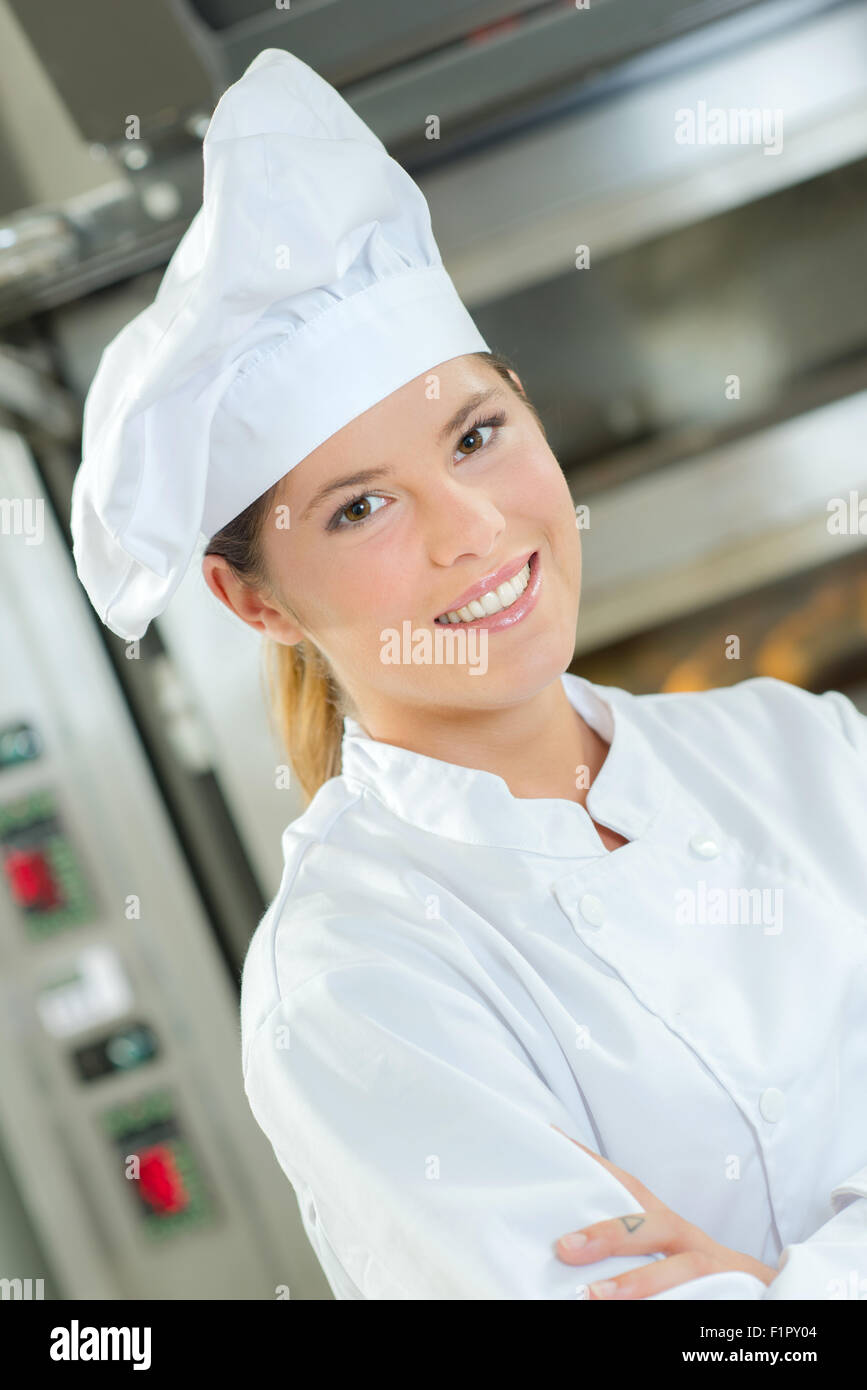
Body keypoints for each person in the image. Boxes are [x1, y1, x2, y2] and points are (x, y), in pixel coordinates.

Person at [70, 49, 867, 1301]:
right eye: (363, 507)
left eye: (477, 436)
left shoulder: (803, 752)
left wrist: (774, 1287)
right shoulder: (353, 985)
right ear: (252, 600)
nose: (474, 532)